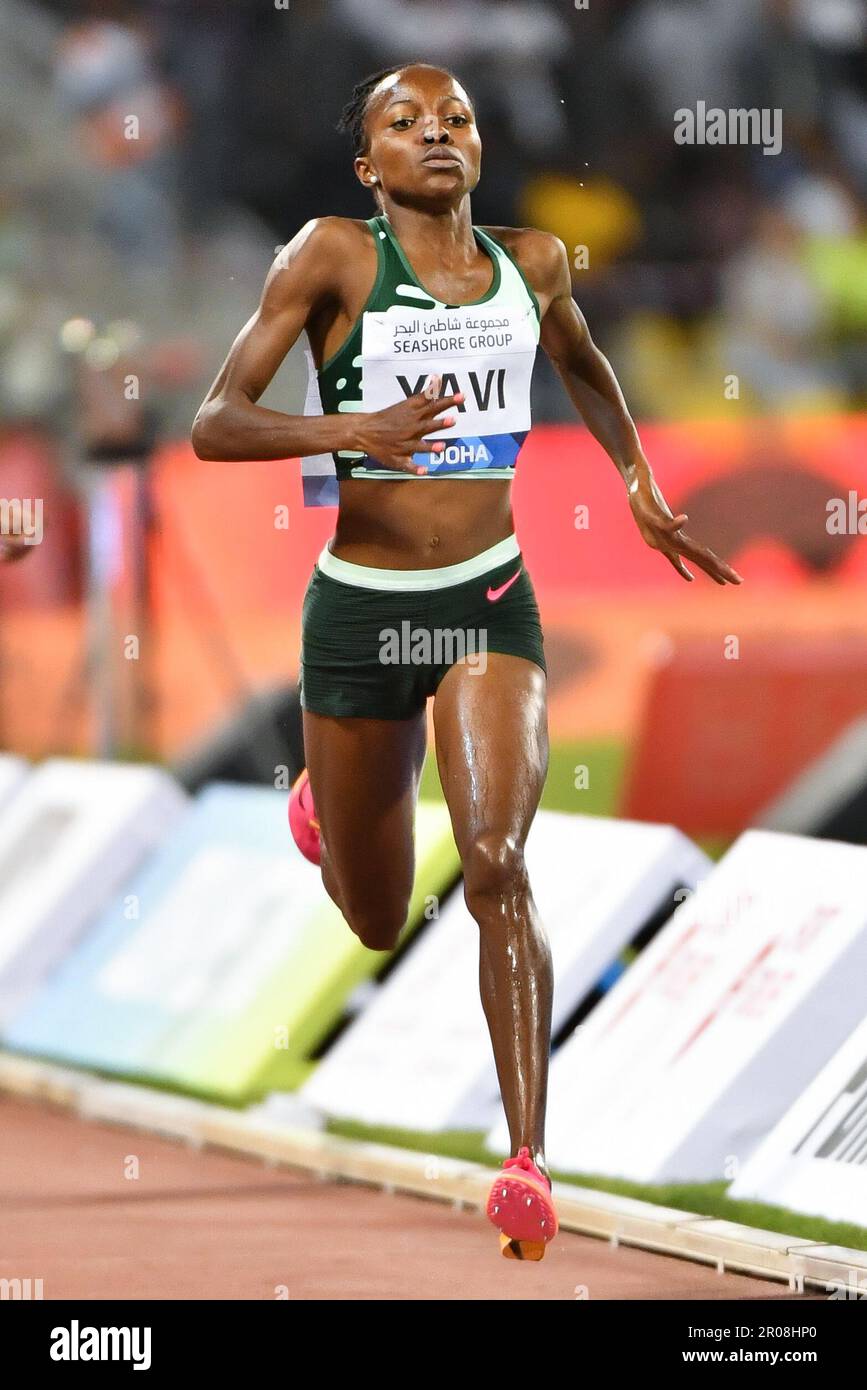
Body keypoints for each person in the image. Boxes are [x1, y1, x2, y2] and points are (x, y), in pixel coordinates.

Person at [191, 62, 743, 1260]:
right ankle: (320, 804)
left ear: (480, 148)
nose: (435, 133)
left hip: (489, 600)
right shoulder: (331, 255)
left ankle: (528, 1159)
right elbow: (215, 421)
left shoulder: (534, 262)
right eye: (404, 122)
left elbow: (587, 365)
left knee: (496, 857)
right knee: (377, 917)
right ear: (366, 163)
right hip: (358, 609)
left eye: (456, 120)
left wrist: (639, 485)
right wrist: (355, 429)